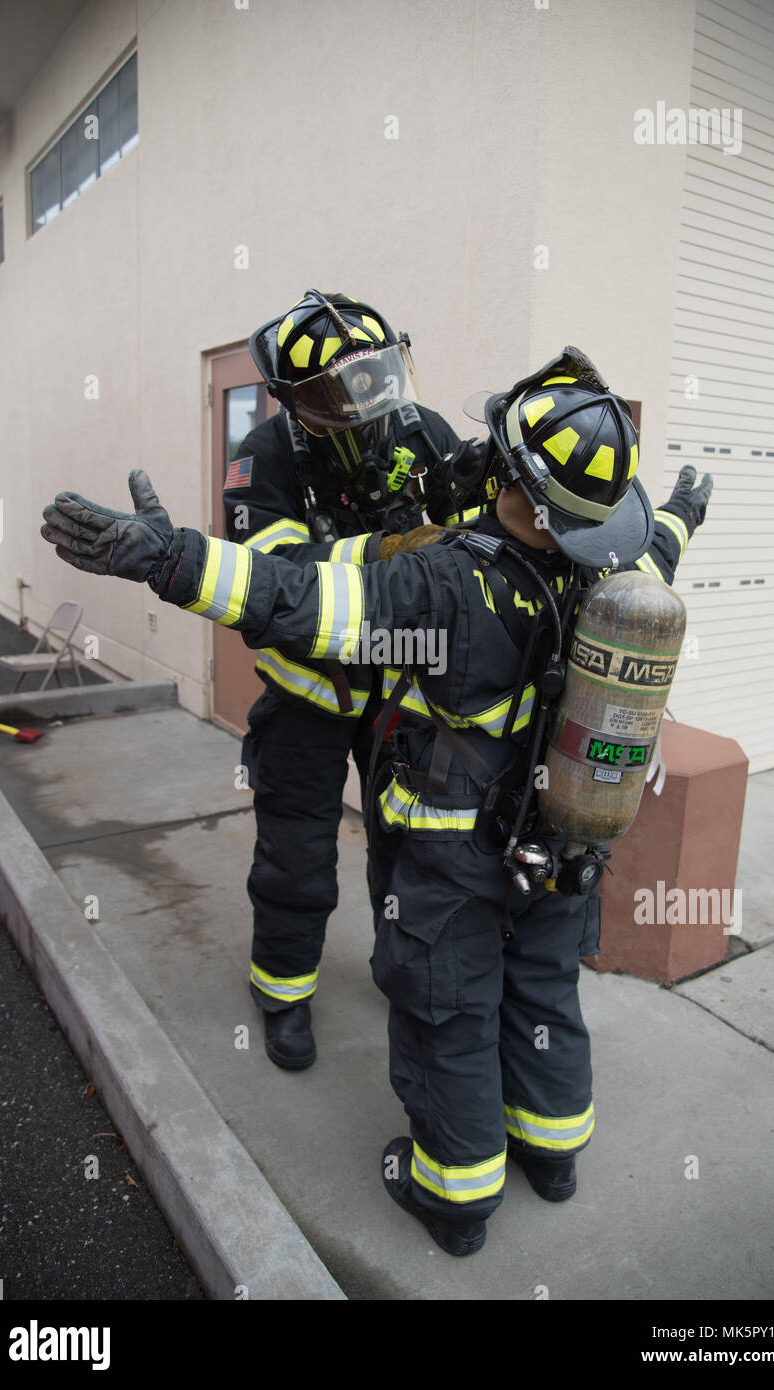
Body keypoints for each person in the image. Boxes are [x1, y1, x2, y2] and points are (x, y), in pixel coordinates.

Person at [41, 346, 712, 1256]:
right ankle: (552, 1154)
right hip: (563, 845)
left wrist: (166, 558)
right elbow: (655, 546)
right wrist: (677, 513)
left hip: (456, 850)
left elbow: (292, 598)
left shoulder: (439, 586)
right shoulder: (616, 575)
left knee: (451, 1008)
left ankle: (454, 1196)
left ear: (506, 470)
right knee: (544, 988)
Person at [222, 290, 476, 1070]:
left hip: (405, 692)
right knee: (296, 855)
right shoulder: (260, 458)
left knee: (407, 851)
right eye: (339, 390)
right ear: (294, 403)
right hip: (309, 695)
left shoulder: (421, 431)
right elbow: (272, 583)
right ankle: (283, 993)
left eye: (376, 375)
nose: (366, 403)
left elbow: (468, 547)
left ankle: (397, 968)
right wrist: (385, 554)